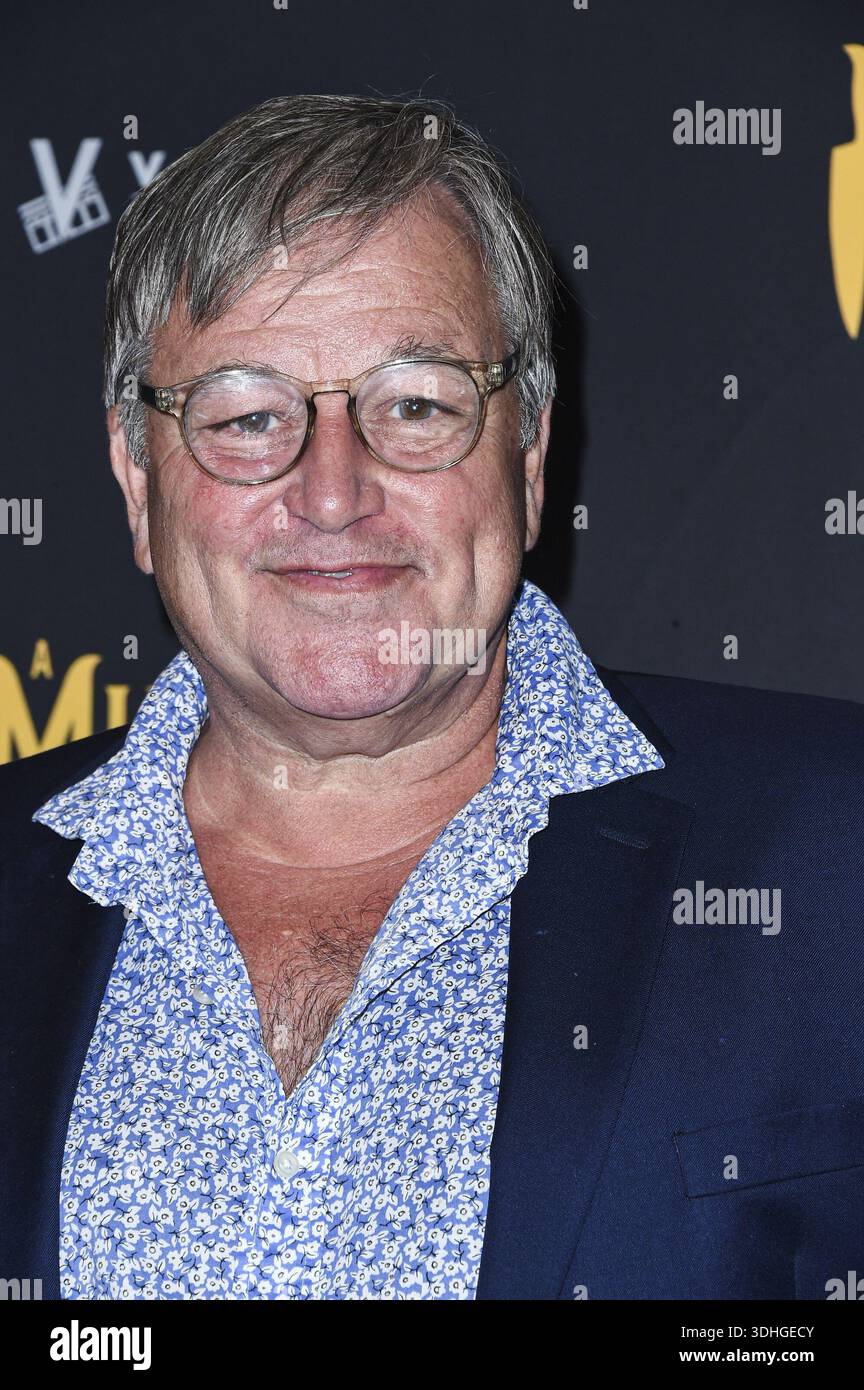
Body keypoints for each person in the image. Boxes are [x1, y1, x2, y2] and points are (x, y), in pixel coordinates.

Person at [2, 94, 862, 1302]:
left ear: (528, 452)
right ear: (138, 483)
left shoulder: (834, 859)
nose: (336, 490)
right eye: (248, 417)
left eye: (416, 403)